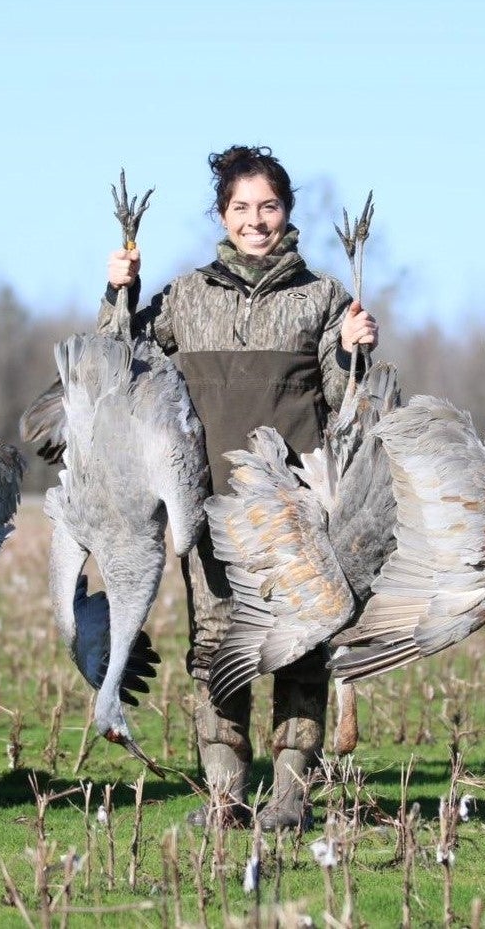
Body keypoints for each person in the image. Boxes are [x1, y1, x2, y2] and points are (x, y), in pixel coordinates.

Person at [102, 145, 377, 830]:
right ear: (222, 215)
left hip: (297, 509)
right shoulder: (185, 298)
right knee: (216, 649)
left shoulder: (321, 298)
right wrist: (118, 293)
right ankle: (225, 796)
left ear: (286, 211)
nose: (255, 220)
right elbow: (115, 361)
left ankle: (289, 794)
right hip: (210, 505)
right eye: (241, 208)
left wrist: (351, 348)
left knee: (301, 646)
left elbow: (346, 404)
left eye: (268, 206)